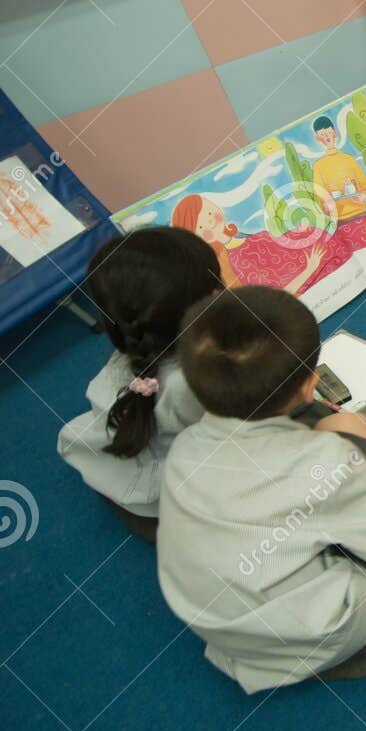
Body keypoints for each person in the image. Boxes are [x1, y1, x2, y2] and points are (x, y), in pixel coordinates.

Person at [158, 287, 366, 692]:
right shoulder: (330, 465)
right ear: (309, 384)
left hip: (217, 624)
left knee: (324, 438)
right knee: (351, 429)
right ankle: (348, 650)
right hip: (316, 631)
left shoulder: (183, 448)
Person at [56, 228, 222, 542]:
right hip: (166, 486)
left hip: (134, 445)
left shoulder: (141, 352)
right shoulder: (191, 384)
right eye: (215, 288)